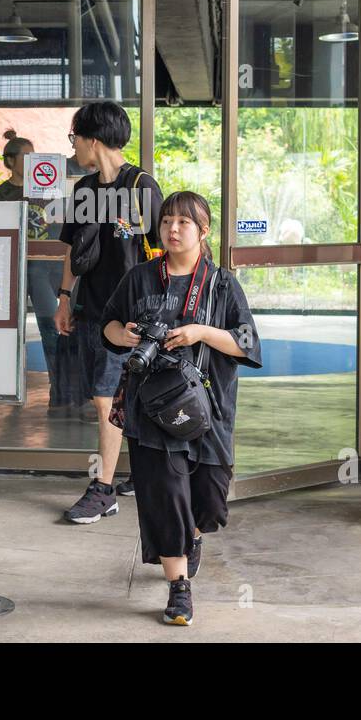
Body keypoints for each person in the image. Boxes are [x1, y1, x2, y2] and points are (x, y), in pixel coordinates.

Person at [101, 191, 262, 626]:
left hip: (208, 409)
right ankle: (179, 589)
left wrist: (201, 332)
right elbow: (109, 325)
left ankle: (193, 535)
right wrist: (128, 337)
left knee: (208, 500)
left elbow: (246, 343)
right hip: (151, 410)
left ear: (203, 231)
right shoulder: (138, 278)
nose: (172, 229)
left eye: (183, 223)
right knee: (165, 497)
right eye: (167, 220)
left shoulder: (222, 283)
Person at [55, 102, 162, 521]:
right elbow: (71, 248)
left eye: (75, 138)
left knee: (105, 402)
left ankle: (103, 489)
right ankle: (138, 472)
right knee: (116, 399)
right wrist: (65, 297)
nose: (74, 146)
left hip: (132, 316)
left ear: (92, 140)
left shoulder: (141, 188)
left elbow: (165, 250)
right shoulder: (83, 190)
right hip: (92, 308)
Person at [0, 130, 66, 417]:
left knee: (50, 328)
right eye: (26, 156)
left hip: (44, 269)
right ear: (11, 160)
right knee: (12, 332)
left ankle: (59, 391)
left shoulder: (46, 190)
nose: (32, 161)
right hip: (14, 269)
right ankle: (11, 389)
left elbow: (60, 227)